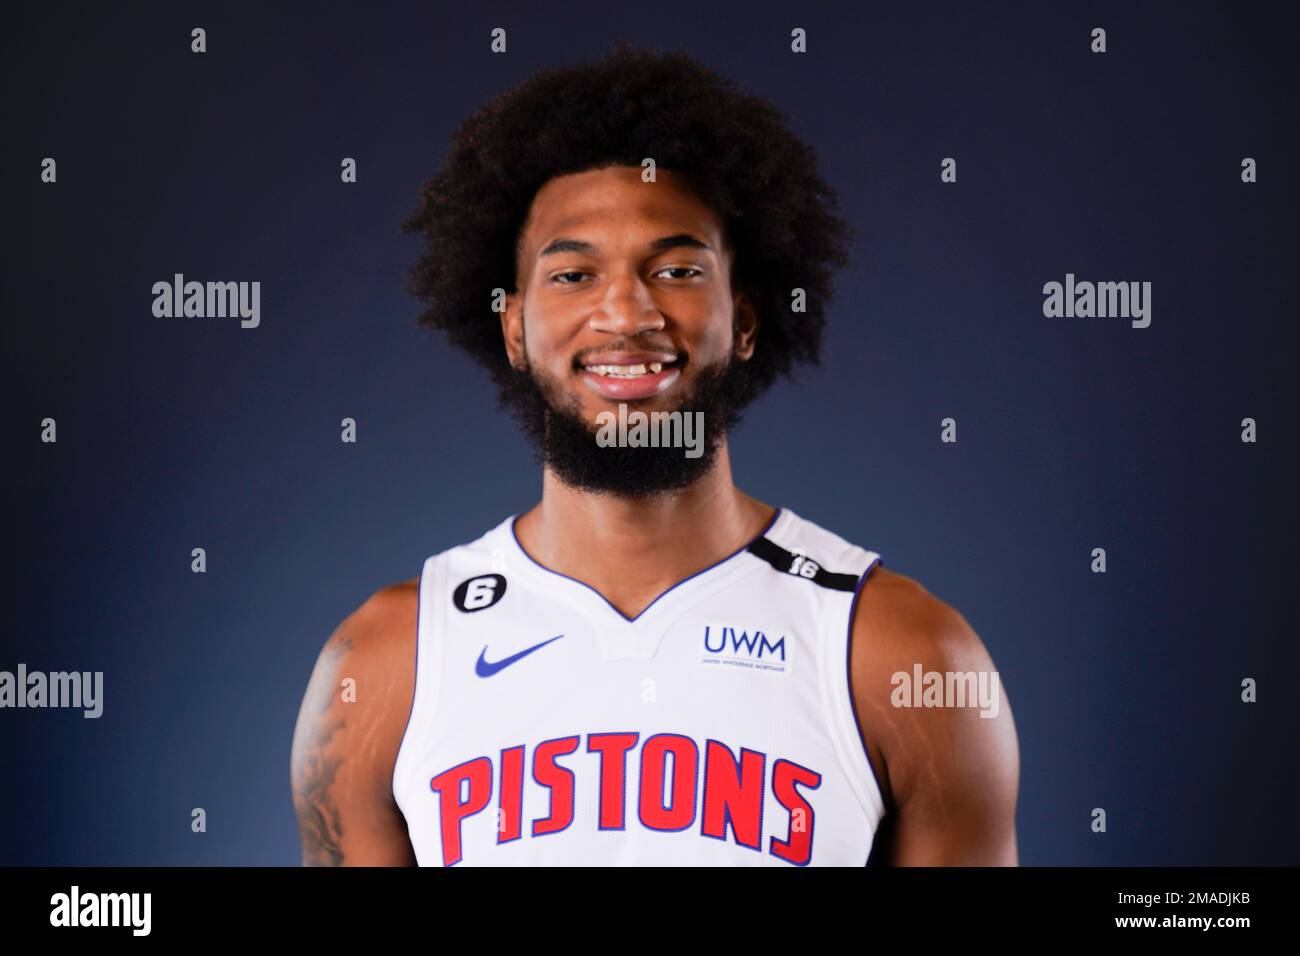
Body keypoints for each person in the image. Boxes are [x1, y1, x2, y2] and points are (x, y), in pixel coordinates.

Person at [291, 44, 1019, 866]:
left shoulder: (901, 652)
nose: (625, 313)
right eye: (572, 275)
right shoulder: (387, 662)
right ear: (512, 328)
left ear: (744, 321)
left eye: (676, 268)